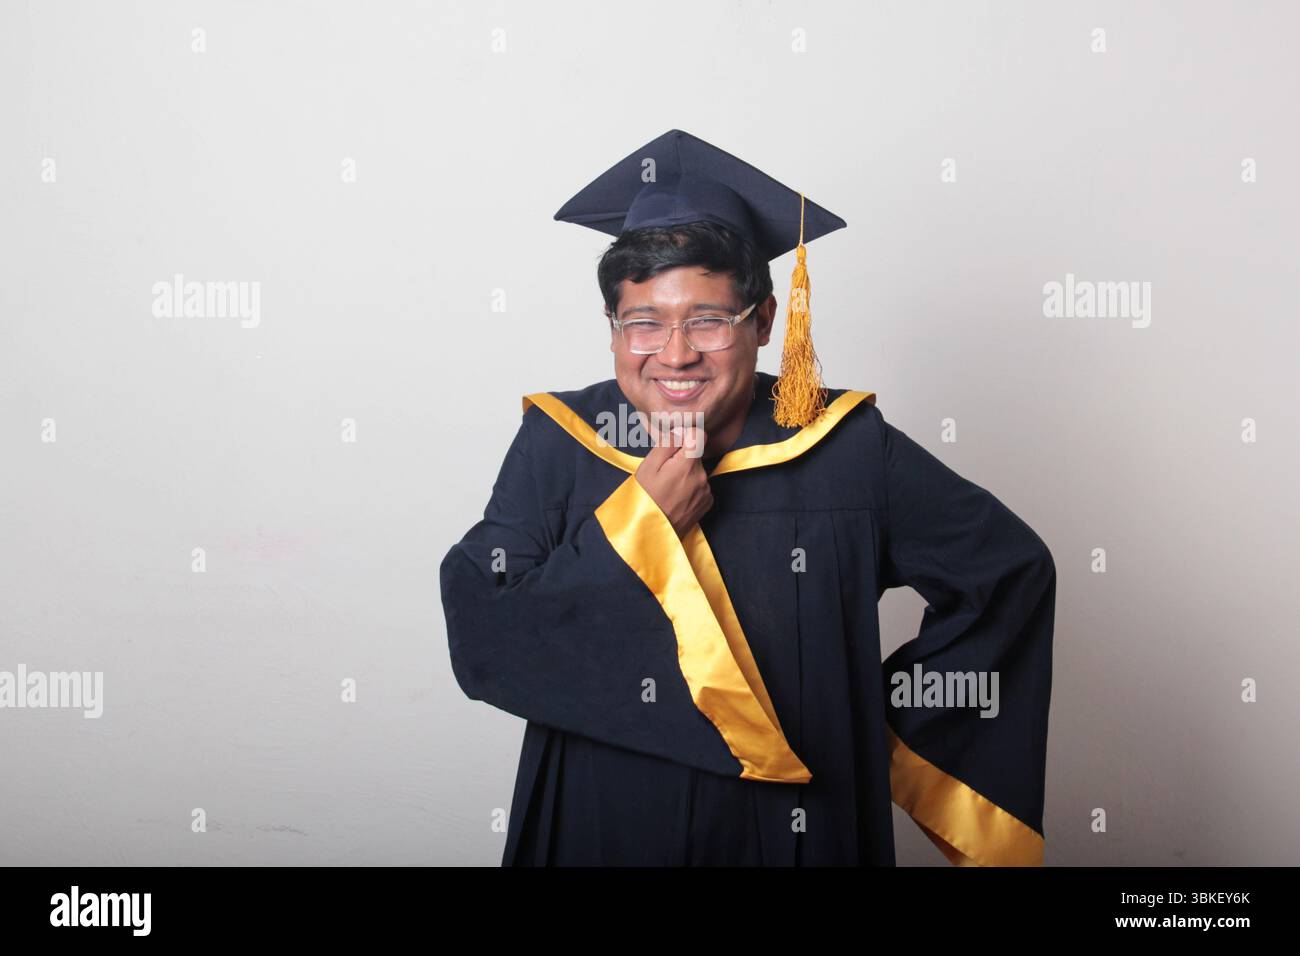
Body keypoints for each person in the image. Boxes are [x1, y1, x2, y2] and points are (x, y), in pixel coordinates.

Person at [439, 129, 1056, 865]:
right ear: (613, 328)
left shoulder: (847, 448)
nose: (674, 353)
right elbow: (485, 629)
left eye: (707, 319)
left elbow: (1009, 573)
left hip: (797, 825)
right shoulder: (562, 443)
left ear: (764, 321)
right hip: (602, 818)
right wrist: (641, 525)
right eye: (645, 321)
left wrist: (877, 728)